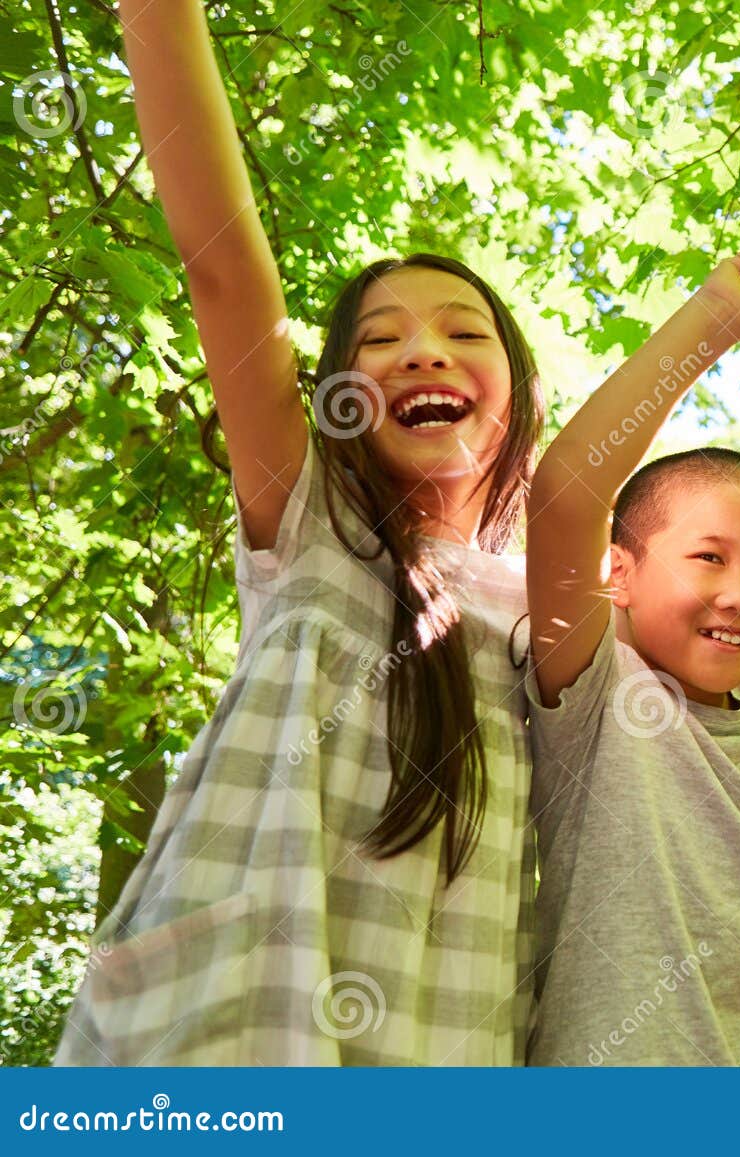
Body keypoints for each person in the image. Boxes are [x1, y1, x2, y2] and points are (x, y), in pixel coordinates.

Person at [58, 0, 541, 1065]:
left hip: (446, 1035)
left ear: (521, 398)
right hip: (233, 1022)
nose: (423, 350)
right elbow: (224, 267)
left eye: (464, 333)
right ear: (332, 397)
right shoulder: (314, 513)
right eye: (379, 339)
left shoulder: (542, 615)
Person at [525, 247, 740, 1064]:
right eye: (708, 557)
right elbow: (566, 489)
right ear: (621, 574)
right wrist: (713, 322)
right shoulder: (593, 678)